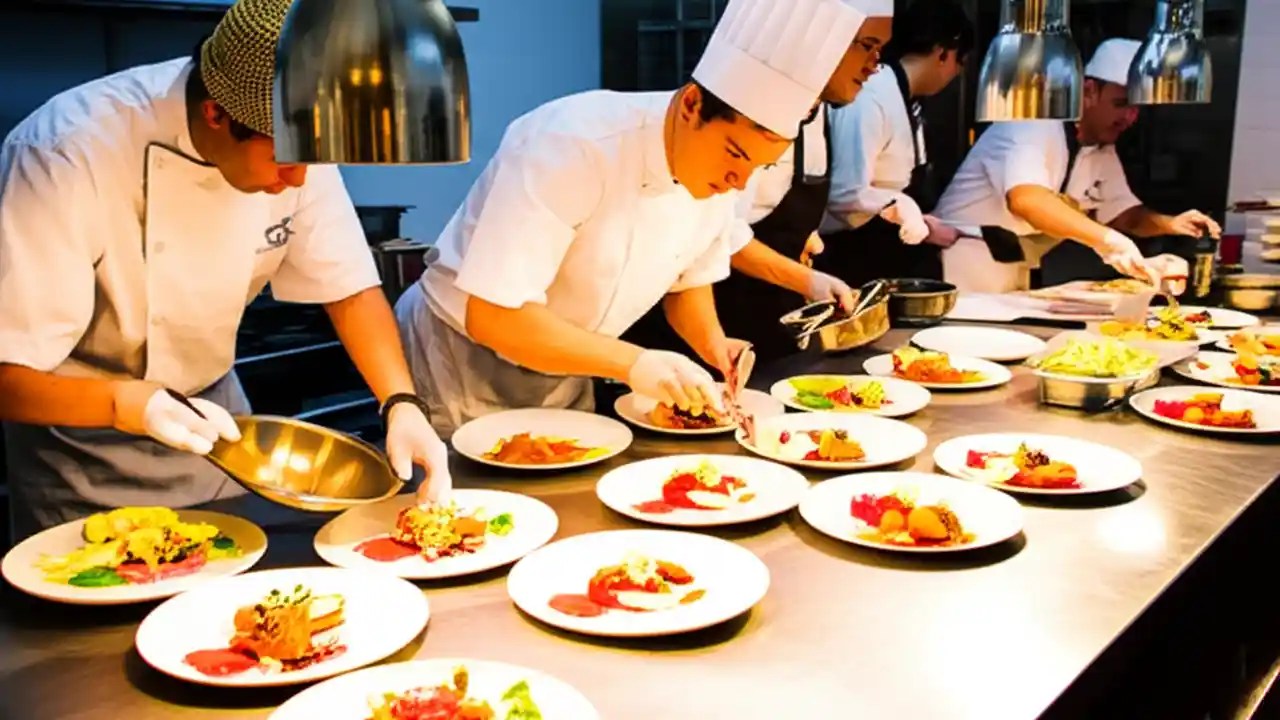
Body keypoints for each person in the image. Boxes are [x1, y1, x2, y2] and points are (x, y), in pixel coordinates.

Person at [0, 0, 450, 541]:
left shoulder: (291, 135)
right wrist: (125, 403)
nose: (298, 181)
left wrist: (401, 404)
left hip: (218, 437)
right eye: (285, 162)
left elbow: (349, 289)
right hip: (80, 457)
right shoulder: (63, 152)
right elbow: (8, 378)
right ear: (216, 114)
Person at [395, 0, 869, 438]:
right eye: (735, 154)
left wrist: (713, 343)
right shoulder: (572, 144)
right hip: (459, 358)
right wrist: (633, 363)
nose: (738, 181)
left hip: (567, 364)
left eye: (759, 168)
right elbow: (495, 316)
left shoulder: (719, 176)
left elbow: (687, 279)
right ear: (692, 105)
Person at [623, 0, 894, 364]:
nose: (875, 64)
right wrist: (804, 280)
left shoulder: (816, 114)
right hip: (714, 313)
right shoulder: (738, 120)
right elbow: (719, 234)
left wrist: (804, 244)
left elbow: (729, 224)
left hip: (759, 321)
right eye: (867, 45)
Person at [930, 38, 1215, 294]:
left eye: (1135, 108)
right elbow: (1027, 201)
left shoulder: (1099, 148)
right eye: (1120, 104)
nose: (1129, 117)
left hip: (1013, 262)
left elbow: (1124, 215)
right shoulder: (1032, 125)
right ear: (1089, 91)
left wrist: (1171, 223)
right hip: (960, 259)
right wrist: (1108, 241)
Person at [815, 0, 976, 288]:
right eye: (959, 63)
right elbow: (845, 193)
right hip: (854, 260)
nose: (956, 74)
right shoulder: (870, 94)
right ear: (943, 53)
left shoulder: (909, 101)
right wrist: (904, 207)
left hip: (890, 259)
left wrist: (919, 220)